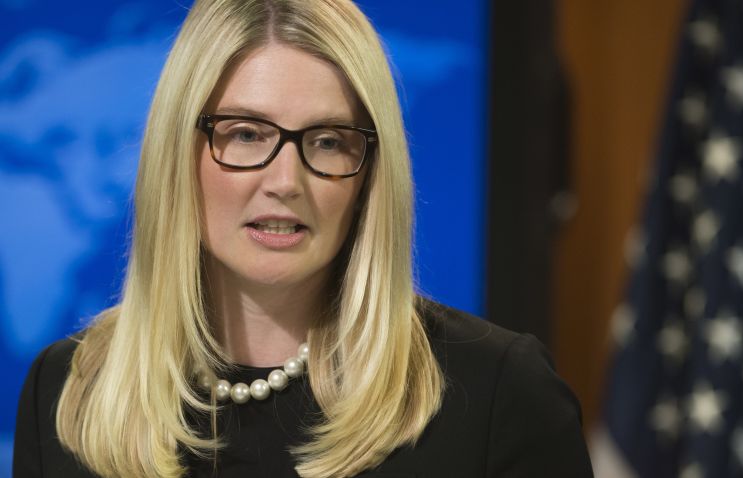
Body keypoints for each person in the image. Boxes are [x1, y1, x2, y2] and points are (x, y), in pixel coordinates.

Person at [13, 0, 593, 476]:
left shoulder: (498, 394)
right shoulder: (68, 390)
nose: (286, 181)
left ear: (369, 175)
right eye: (245, 134)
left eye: (328, 141)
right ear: (176, 155)